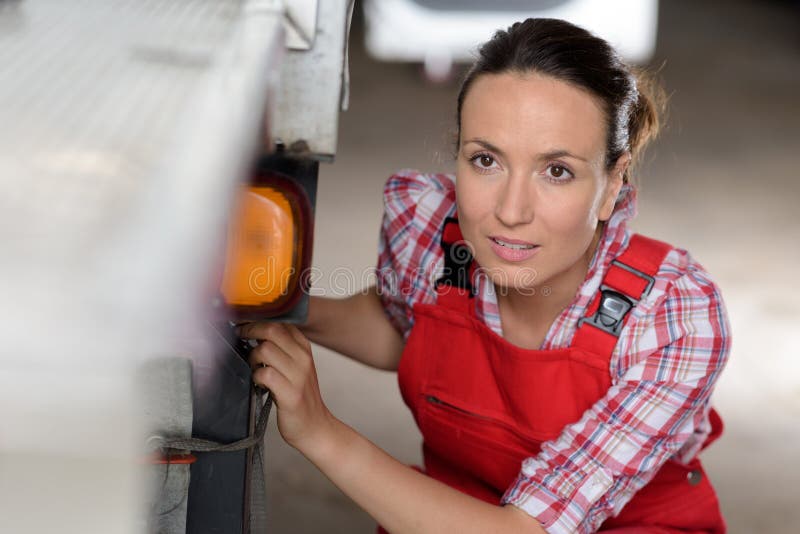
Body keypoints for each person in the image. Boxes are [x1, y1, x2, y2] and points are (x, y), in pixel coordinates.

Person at [237, 18, 731, 534]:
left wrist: (322, 432)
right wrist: (276, 300)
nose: (511, 211)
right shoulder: (434, 230)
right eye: (486, 160)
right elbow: (405, 329)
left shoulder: (674, 316)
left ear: (612, 184)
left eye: (556, 170)